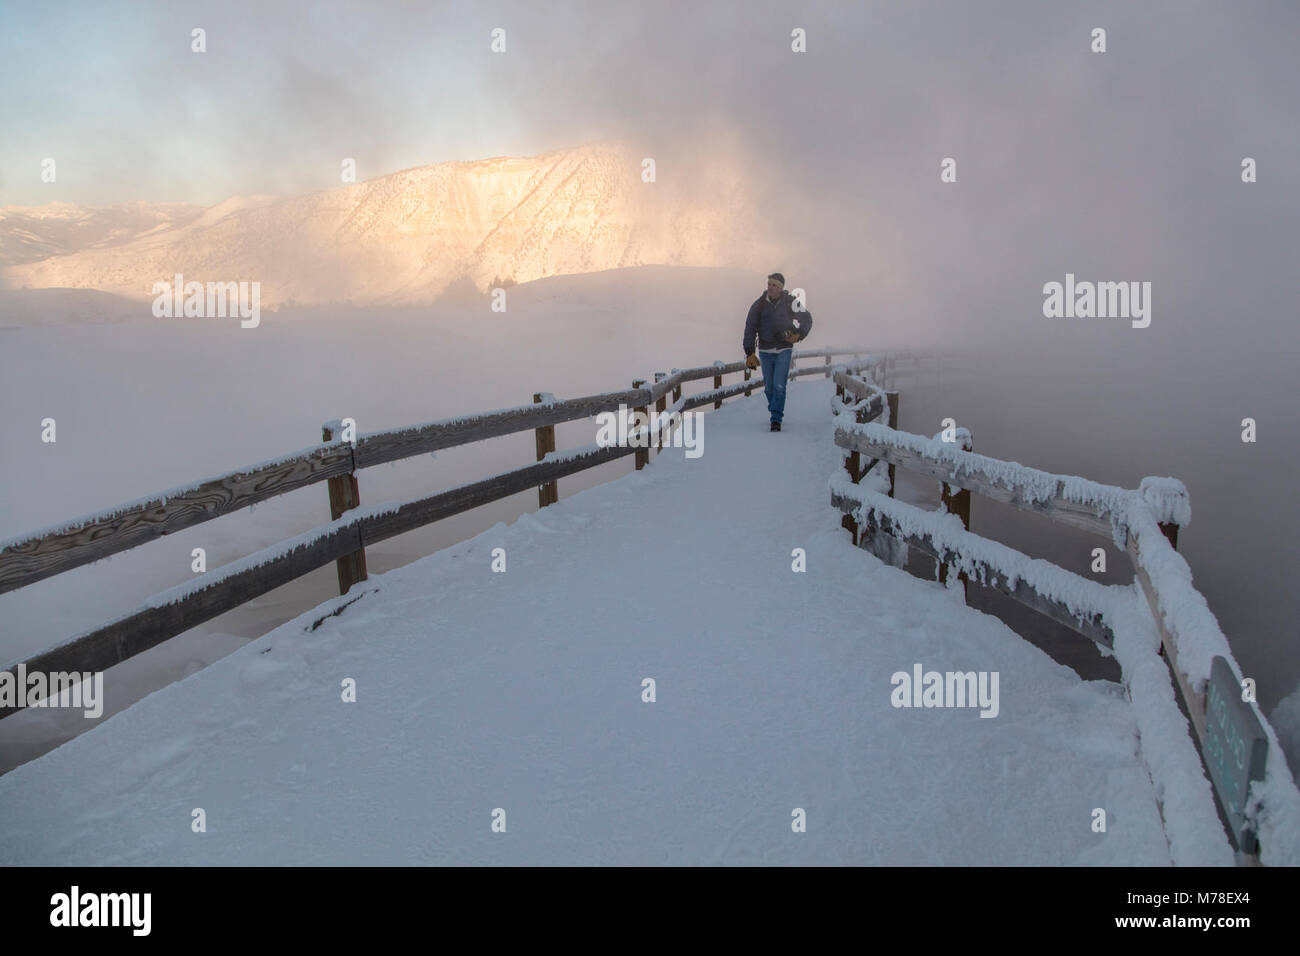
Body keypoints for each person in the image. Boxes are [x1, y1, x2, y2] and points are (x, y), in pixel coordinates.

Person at [742, 273, 812, 431]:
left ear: (781, 288)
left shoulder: (790, 302)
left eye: (774, 285)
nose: (770, 288)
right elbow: (750, 328)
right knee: (769, 387)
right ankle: (775, 409)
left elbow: (807, 318)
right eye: (769, 284)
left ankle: (776, 418)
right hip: (765, 350)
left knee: (779, 385)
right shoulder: (758, 305)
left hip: (784, 349)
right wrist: (749, 352)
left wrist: (799, 334)